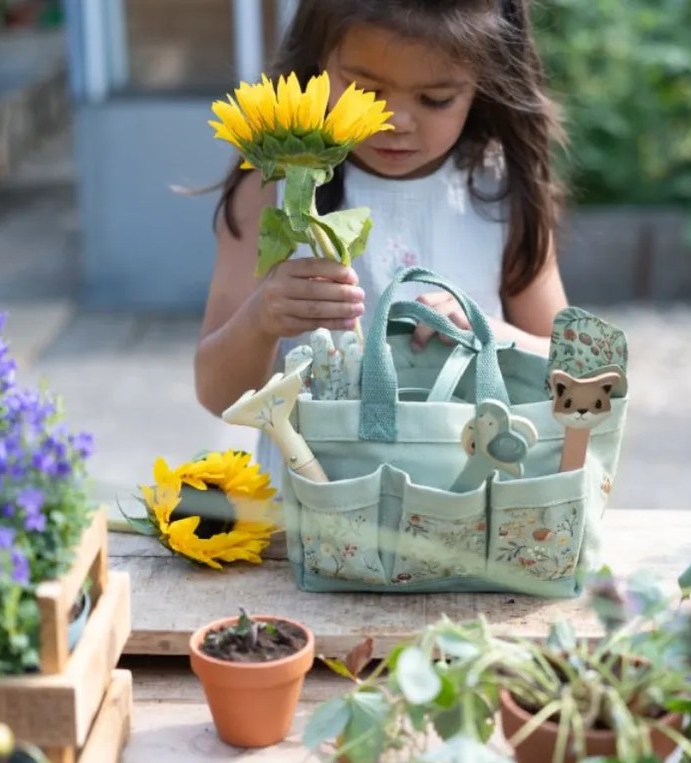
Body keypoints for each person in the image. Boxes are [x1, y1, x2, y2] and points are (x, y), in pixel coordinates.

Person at [194, 0, 569, 483]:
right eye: (366, 91)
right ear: (318, 63)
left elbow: (575, 369)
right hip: (313, 511)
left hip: (468, 511)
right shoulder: (273, 186)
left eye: (435, 99)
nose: (396, 120)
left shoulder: (498, 191)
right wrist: (262, 318)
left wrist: (492, 335)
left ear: (484, 83)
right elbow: (218, 395)